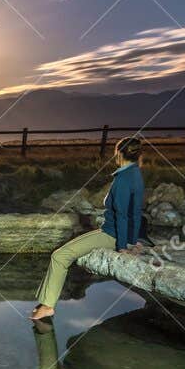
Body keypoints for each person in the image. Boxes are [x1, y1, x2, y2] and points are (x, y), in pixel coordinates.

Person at [29, 135, 147, 322]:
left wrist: (124, 245)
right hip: (119, 233)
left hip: (111, 234)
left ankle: (47, 305)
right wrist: (135, 239)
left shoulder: (123, 178)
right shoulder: (136, 174)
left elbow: (124, 215)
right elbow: (135, 213)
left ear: (118, 154)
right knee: (63, 252)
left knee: (59, 256)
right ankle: (45, 301)